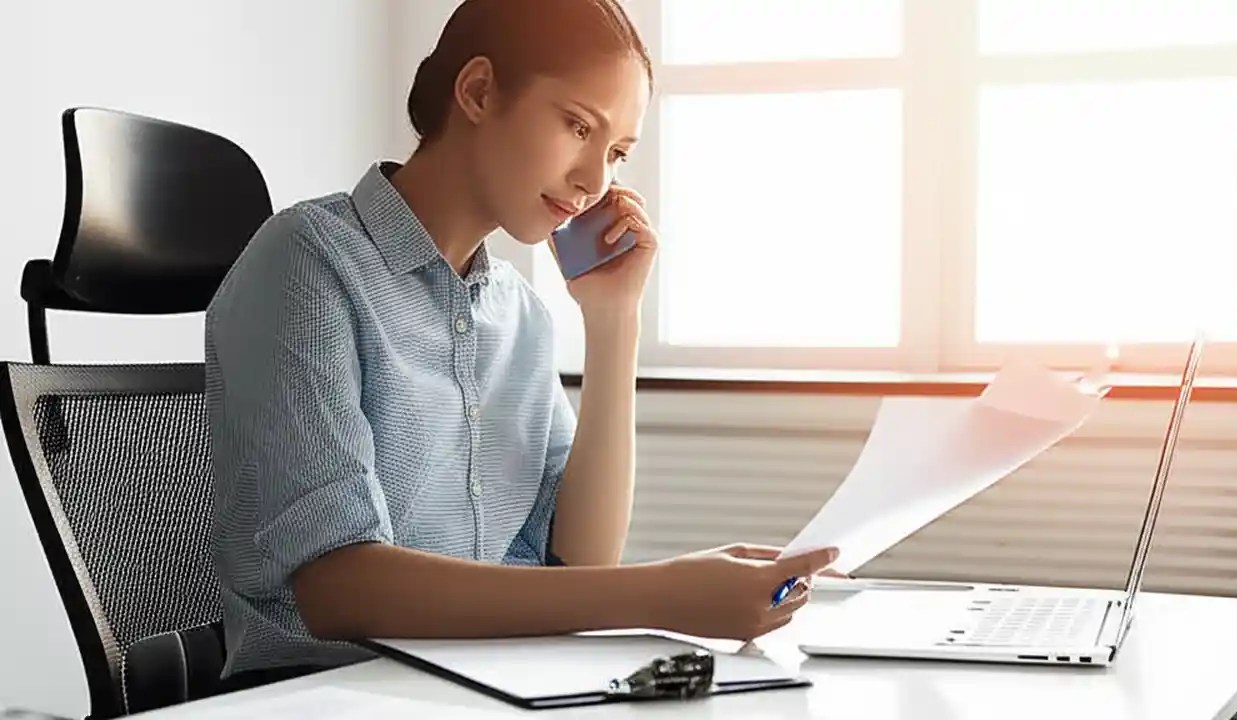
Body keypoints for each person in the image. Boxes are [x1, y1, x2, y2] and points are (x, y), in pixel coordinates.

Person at [204, 0, 838, 690]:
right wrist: (662, 594)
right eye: (577, 126)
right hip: (324, 696)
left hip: (481, 686)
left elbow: (582, 558)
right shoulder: (307, 262)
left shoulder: (519, 315)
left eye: (617, 153)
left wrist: (613, 317)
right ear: (477, 92)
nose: (596, 180)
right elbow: (341, 591)